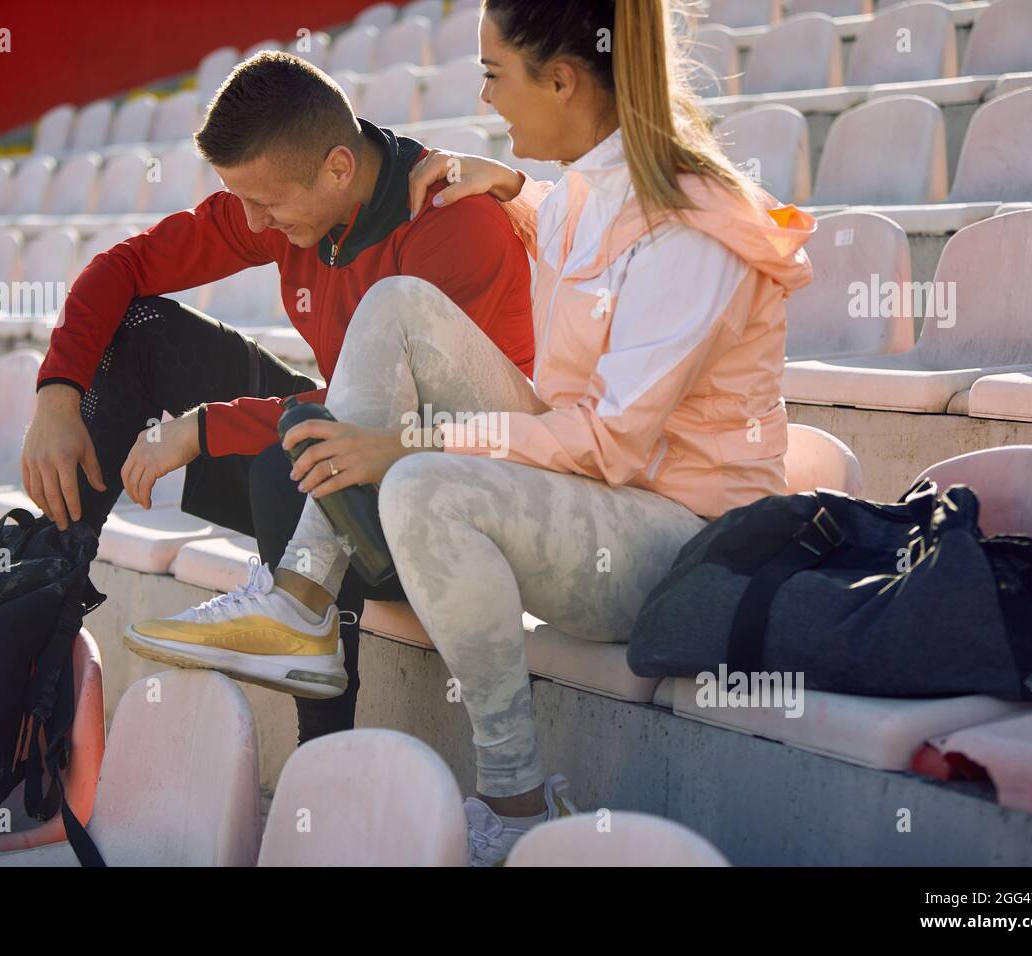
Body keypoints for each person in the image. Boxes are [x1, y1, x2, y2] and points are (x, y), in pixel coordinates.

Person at [126, 0, 815, 865]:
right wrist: (519, 189)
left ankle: (518, 799)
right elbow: (593, 245)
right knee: (397, 306)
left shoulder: (693, 227)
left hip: (681, 547)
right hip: (589, 498)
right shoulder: (583, 189)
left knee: (421, 485)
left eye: (495, 75)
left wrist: (411, 449)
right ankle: (301, 599)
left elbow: (610, 444)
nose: (485, 99)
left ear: (562, 81)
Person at [20, 51, 534, 743]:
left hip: (443, 495)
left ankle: (324, 747)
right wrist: (57, 393)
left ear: (339, 168)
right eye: (243, 202)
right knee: (138, 332)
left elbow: (405, 424)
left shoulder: (451, 224)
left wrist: (209, 428)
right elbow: (128, 265)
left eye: (267, 203)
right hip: (346, 453)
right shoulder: (289, 202)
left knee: (291, 462)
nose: (255, 225)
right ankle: (37, 625)